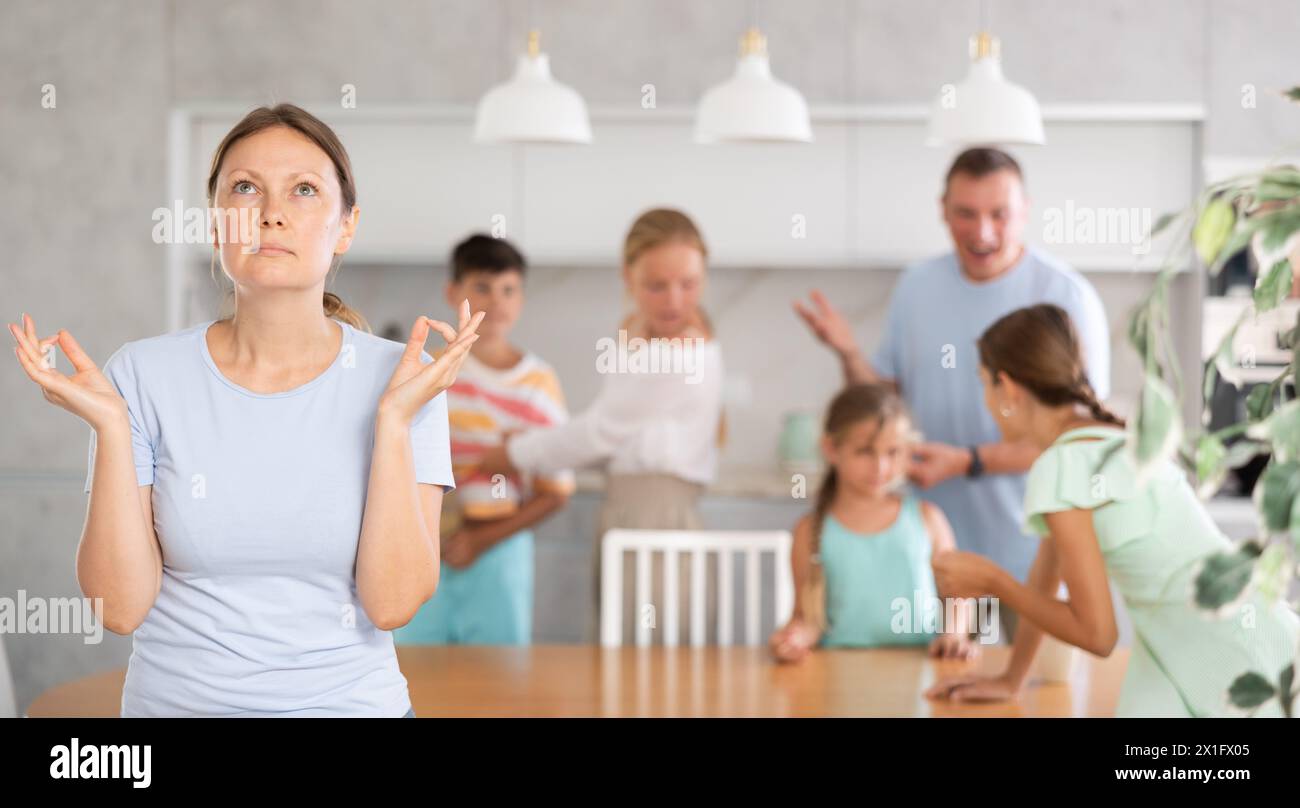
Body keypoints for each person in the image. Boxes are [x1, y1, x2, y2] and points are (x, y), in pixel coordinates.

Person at [9, 103, 483, 717]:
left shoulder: (403, 379)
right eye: (245, 188)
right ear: (215, 222)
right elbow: (119, 609)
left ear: (346, 226)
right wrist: (111, 426)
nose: (271, 212)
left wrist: (392, 424)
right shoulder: (140, 375)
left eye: (304, 190)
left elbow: (392, 603)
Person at [795, 147, 1110, 638]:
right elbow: (883, 404)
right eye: (966, 213)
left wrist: (968, 461)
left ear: (1025, 210)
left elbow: (1080, 438)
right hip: (941, 562)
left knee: (1041, 700)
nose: (982, 232)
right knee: (961, 693)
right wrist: (848, 353)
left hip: (1034, 553)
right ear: (942, 209)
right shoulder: (917, 287)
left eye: (999, 214)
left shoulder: (1066, 298)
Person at [926, 304, 1300, 717]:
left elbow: (1098, 635)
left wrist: (993, 581)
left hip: (1240, 654)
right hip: (1214, 640)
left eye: (984, 384)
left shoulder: (1062, 464)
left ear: (1008, 387)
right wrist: (1011, 678)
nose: (986, 400)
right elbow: (1046, 576)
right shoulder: (1108, 440)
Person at [475, 208, 725, 642]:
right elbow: (618, 430)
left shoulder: (681, 356)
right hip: (632, 513)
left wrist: (514, 453)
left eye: (690, 284)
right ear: (627, 276)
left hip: (656, 520)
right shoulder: (653, 338)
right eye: (657, 285)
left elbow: (599, 434)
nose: (675, 300)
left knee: (647, 668)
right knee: (632, 662)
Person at [395, 234, 573, 646]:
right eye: (482, 288)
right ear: (452, 292)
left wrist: (479, 540)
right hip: (424, 549)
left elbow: (556, 491)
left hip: (499, 553)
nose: (496, 302)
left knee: (499, 688)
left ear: (522, 299)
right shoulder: (428, 371)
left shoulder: (538, 384)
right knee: (420, 680)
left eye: (508, 290)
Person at [770, 384, 978, 662]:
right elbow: (806, 618)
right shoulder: (808, 531)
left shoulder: (929, 519)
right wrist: (793, 638)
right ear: (831, 449)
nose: (880, 467)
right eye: (865, 451)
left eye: (893, 452)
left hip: (922, 672)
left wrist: (954, 634)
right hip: (837, 678)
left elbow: (957, 597)